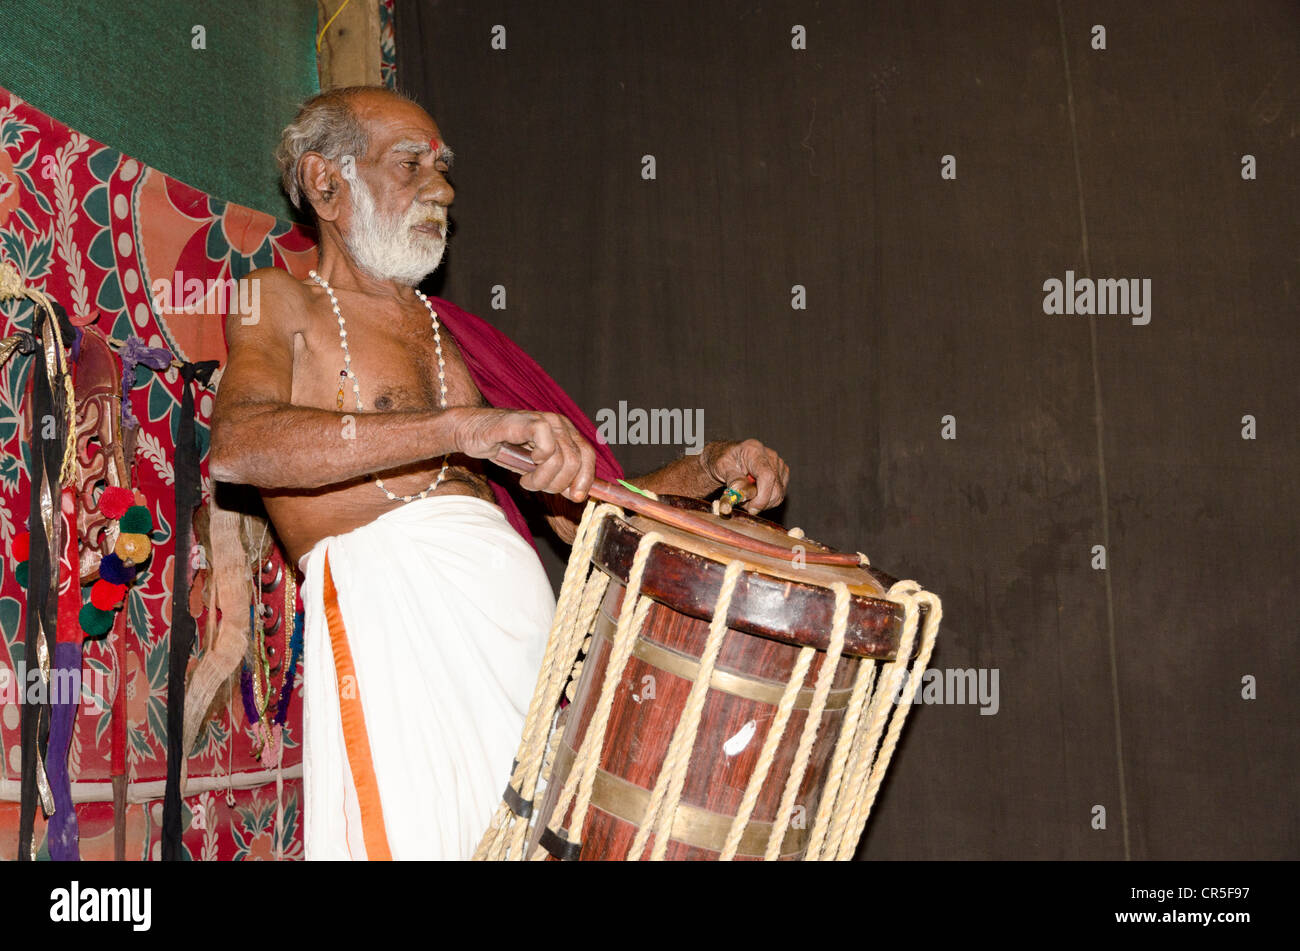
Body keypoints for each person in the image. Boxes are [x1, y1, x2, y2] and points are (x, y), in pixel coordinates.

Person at [208, 85, 791, 859]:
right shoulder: (277, 300)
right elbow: (240, 444)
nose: (443, 189)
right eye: (411, 165)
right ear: (325, 183)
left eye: (443, 168)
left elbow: (584, 516)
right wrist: (462, 427)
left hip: (523, 662)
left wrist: (708, 469)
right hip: (401, 654)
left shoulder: (447, 337)